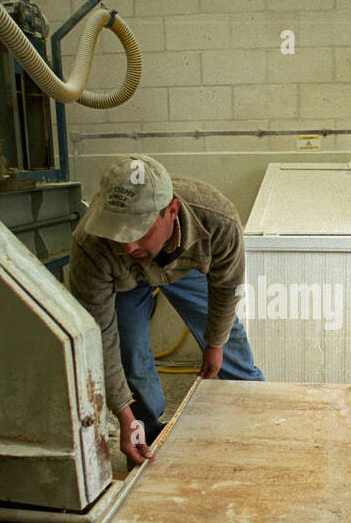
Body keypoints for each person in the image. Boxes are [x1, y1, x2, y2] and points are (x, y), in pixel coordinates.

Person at [68, 154, 264, 465]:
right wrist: (122, 411)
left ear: (170, 212)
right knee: (129, 352)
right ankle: (146, 436)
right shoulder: (92, 243)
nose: (128, 246)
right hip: (125, 282)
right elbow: (100, 334)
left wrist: (214, 344)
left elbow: (227, 287)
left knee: (231, 345)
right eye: (118, 233)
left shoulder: (217, 217)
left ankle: (260, 426)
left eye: (139, 231)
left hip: (186, 266)